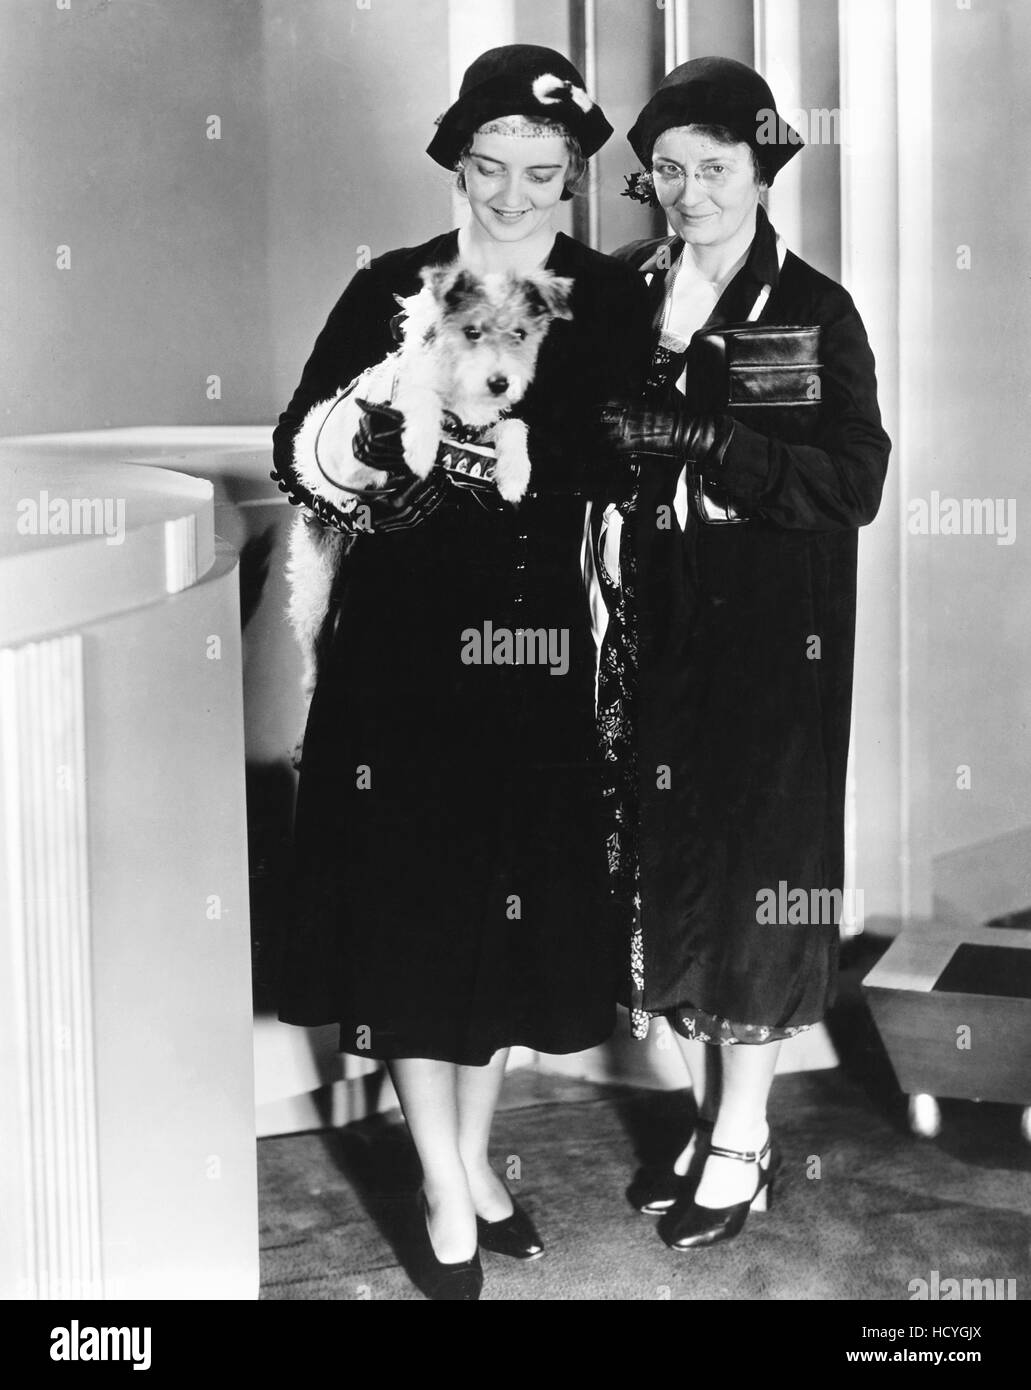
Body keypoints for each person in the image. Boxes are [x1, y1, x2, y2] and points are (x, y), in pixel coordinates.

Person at [270, 45, 651, 1299]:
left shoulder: (602, 298)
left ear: (574, 177)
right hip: (395, 661)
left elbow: (619, 462)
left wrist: (529, 437)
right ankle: (442, 1185)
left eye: (541, 171)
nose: (512, 191)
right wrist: (379, 431)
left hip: (532, 661)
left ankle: (476, 1161)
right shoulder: (392, 285)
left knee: (500, 919)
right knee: (410, 915)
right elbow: (298, 444)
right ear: (456, 164)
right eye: (489, 166)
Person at [596, 57, 891, 1250]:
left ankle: (739, 1138)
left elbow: (852, 483)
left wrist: (713, 440)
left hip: (775, 640)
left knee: (757, 869)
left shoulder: (814, 310)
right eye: (668, 169)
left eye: (714, 167)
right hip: (651, 622)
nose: (688, 189)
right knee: (662, 863)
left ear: (762, 171)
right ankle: (713, 1115)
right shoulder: (621, 294)